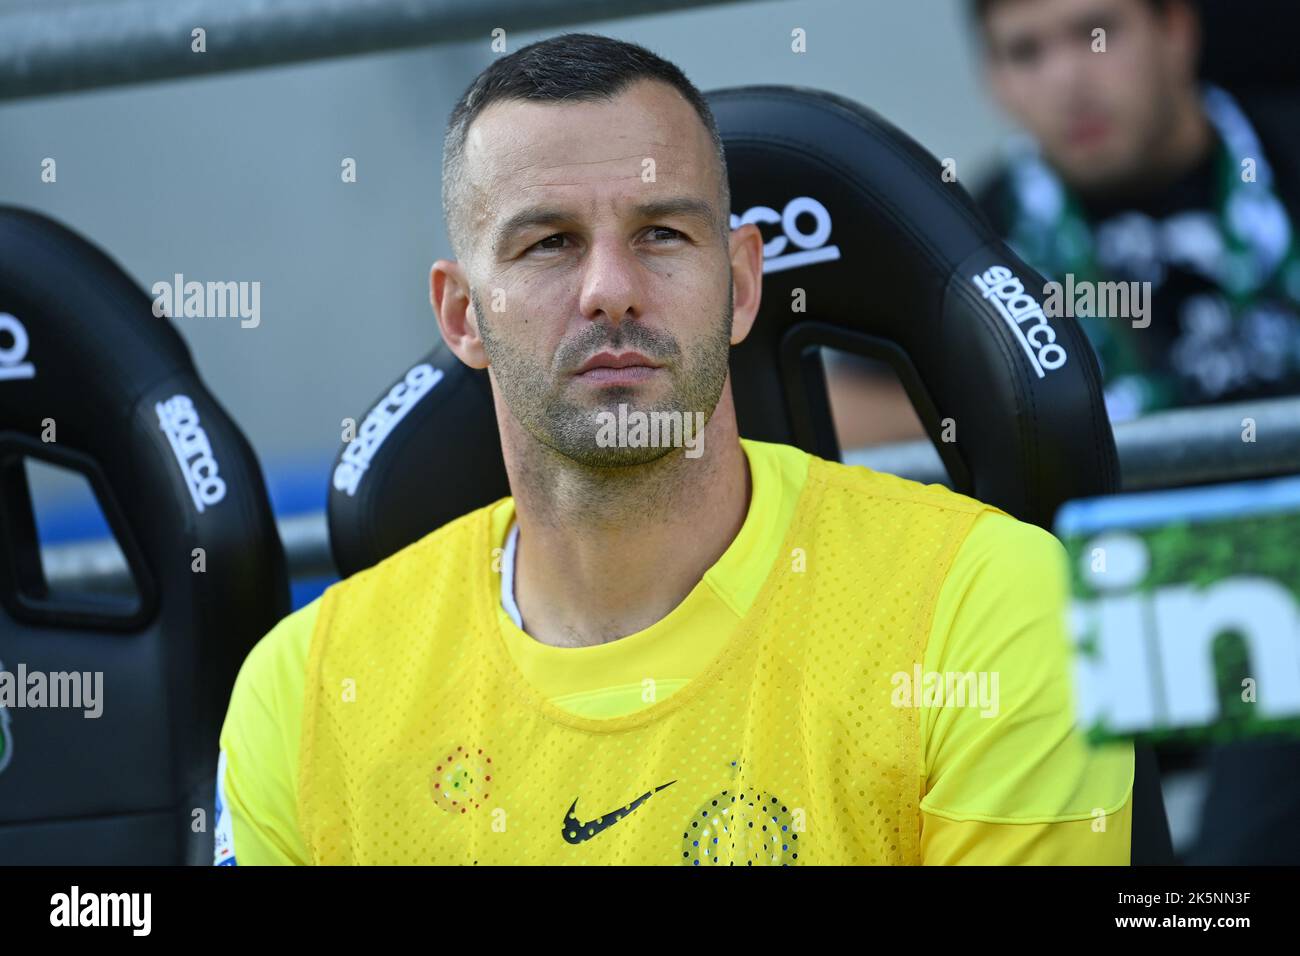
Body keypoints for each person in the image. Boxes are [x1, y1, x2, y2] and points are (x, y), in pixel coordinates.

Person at [213, 32, 1131, 866]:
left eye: (660, 233)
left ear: (739, 286)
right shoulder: (303, 695)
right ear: (463, 316)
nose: (611, 290)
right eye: (548, 244)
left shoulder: (989, 606)